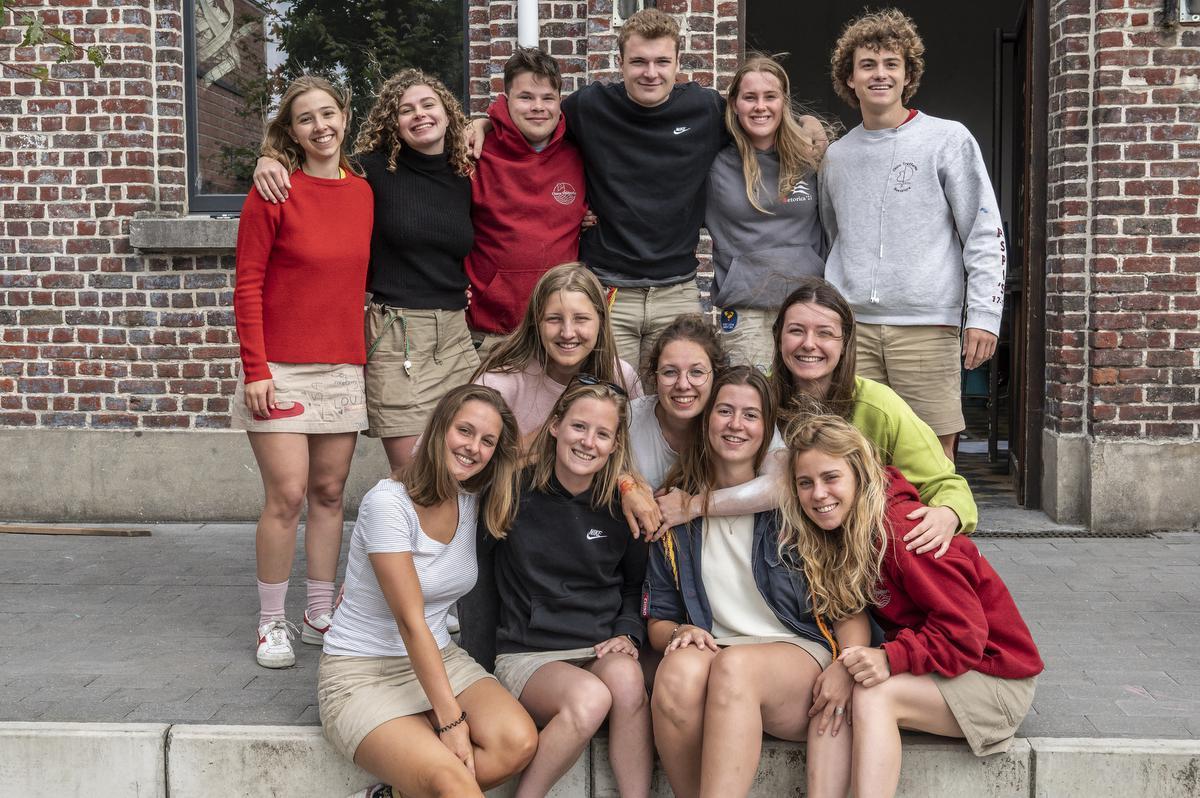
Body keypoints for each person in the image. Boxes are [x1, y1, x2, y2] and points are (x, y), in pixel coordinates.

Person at [781, 413, 1042, 797]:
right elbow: (849, 610)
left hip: (993, 677)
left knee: (874, 693)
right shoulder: (840, 531)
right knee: (835, 694)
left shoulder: (904, 533)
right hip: (941, 668)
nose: (818, 494)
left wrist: (889, 658)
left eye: (831, 477)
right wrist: (846, 666)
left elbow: (965, 635)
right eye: (805, 483)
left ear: (860, 475)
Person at [644, 366, 866, 798]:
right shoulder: (675, 510)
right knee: (676, 671)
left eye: (751, 415)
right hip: (719, 653)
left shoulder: (798, 505)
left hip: (799, 656)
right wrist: (680, 631)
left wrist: (847, 665)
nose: (736, 424)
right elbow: (659, 620)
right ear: (707, 419)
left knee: (735, 667)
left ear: (767, 430)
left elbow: (849, 607)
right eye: (724, 411)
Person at [253, 69, 479, 473]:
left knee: (466, 468)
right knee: (415, 475)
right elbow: (320, 158)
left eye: (428, 104)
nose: (419, 115)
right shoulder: (369, 172)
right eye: (406, 110)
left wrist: (485, 122)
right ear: (393, 123)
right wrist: (268, 159)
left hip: (456, 336)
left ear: (448, 112)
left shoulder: (466, 173)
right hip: (399, 334)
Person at [318, 385, 537, 798]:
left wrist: (630, 486)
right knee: (451, 781)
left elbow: (551, 447)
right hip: (362, 672)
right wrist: (451, 721)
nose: (473, 448)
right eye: (464, 431)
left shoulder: (471, 494)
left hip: (440, 657)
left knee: (518, 743)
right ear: (439, 428)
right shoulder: (388, 504)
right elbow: (409, 620)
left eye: (487, 441)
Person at [821, 8, 1007, 460]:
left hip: (927, 325)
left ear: (908, 75)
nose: (879, 74)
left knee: (931, 453)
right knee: (855, 453)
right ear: (849, 78)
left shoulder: (948, 140)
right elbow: (832, 235)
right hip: (854, 330)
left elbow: (984, 231)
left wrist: (984, 315)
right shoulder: (836, 157)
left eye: (891, 64)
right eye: (867, 65)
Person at [232, 75, 372, 668]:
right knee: (287, 495)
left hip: (342, 366)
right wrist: (255, 369)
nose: (321, 126)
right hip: (280, 369)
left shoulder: (363, 192)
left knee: (330, 493)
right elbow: (247, 284)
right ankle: (271, 621)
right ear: (290, 132)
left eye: (328, 113)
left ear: (345, 117)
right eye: (306, 118)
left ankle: (319, 612)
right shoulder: (272, 191)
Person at [487, 378, 652, 797]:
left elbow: (635, 585)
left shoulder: (622, 506)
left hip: (596, 647)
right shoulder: (513, 491)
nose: (588, 442)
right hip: (529, 653)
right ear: (555, 426)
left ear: (615, 445)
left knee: (628, 679)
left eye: (602, 434)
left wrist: (627, 632)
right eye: (579, 426)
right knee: (591, 698)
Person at [770, 277, 978, 553]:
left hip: (860, 547)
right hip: (774, 540)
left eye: (824, 333)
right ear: (778, 337)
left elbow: (946, 485)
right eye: (796, 331)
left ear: (845, 342)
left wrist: (948, 513)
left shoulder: (879, 404)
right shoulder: (757, 399)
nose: (809, 344)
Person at [472, 262, 660, 536]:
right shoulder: (499, 384)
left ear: (601, 320)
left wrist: (627, 484)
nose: (568, 332)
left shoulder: (621, 377)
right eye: (554, 319)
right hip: (510, 525)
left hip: (589, 526)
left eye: (581, 319)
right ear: (536, 322)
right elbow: (454, 466)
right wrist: (533, 450)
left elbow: (630, 458)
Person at [706, 55, 828, 372]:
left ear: (783, 102)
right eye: (750, 97)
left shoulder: (810, 158)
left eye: (770, 96)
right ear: (734, 104)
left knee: (807, 397)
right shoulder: (713, 163)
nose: (760, 106)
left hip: (808, 305)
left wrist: (810, 123)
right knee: (751, 395)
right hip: (746, 310)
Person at [466, 47, 587, 355]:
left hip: (560, 335)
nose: (538, 107)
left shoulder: (579, 154)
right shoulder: (475, 154)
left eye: (547, 98)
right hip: (490, 335)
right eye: (525, 97)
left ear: (560, 102)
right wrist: (481, 123)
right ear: (506, 100)